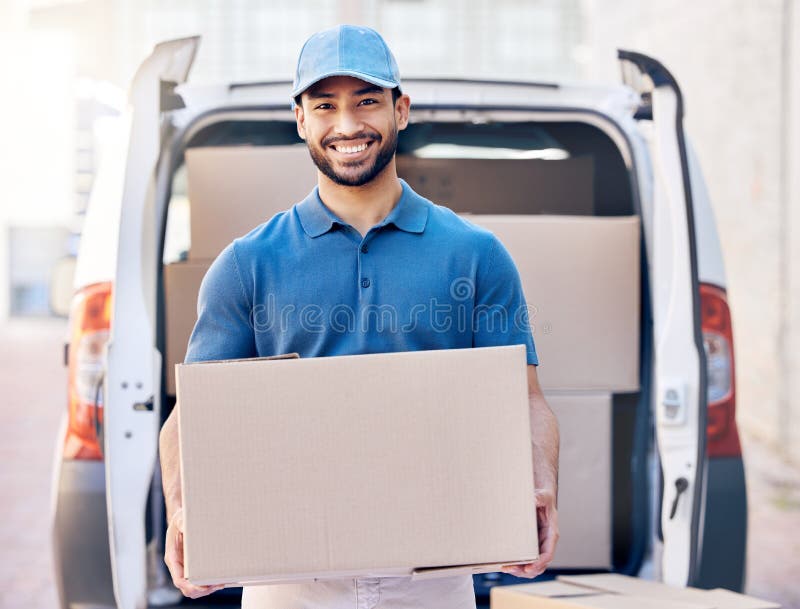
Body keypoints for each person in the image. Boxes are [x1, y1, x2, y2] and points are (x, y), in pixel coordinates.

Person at [159, 24, 559, 609]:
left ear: (401, 109)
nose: (347, 126)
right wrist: (182, 508)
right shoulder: (247, 264)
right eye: (326, 106)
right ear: (301, 119)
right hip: (289, 574)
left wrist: (540, 481)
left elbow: (525, 398)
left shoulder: (475, 254)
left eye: (366, 101)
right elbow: (192, 418)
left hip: (436, 568)